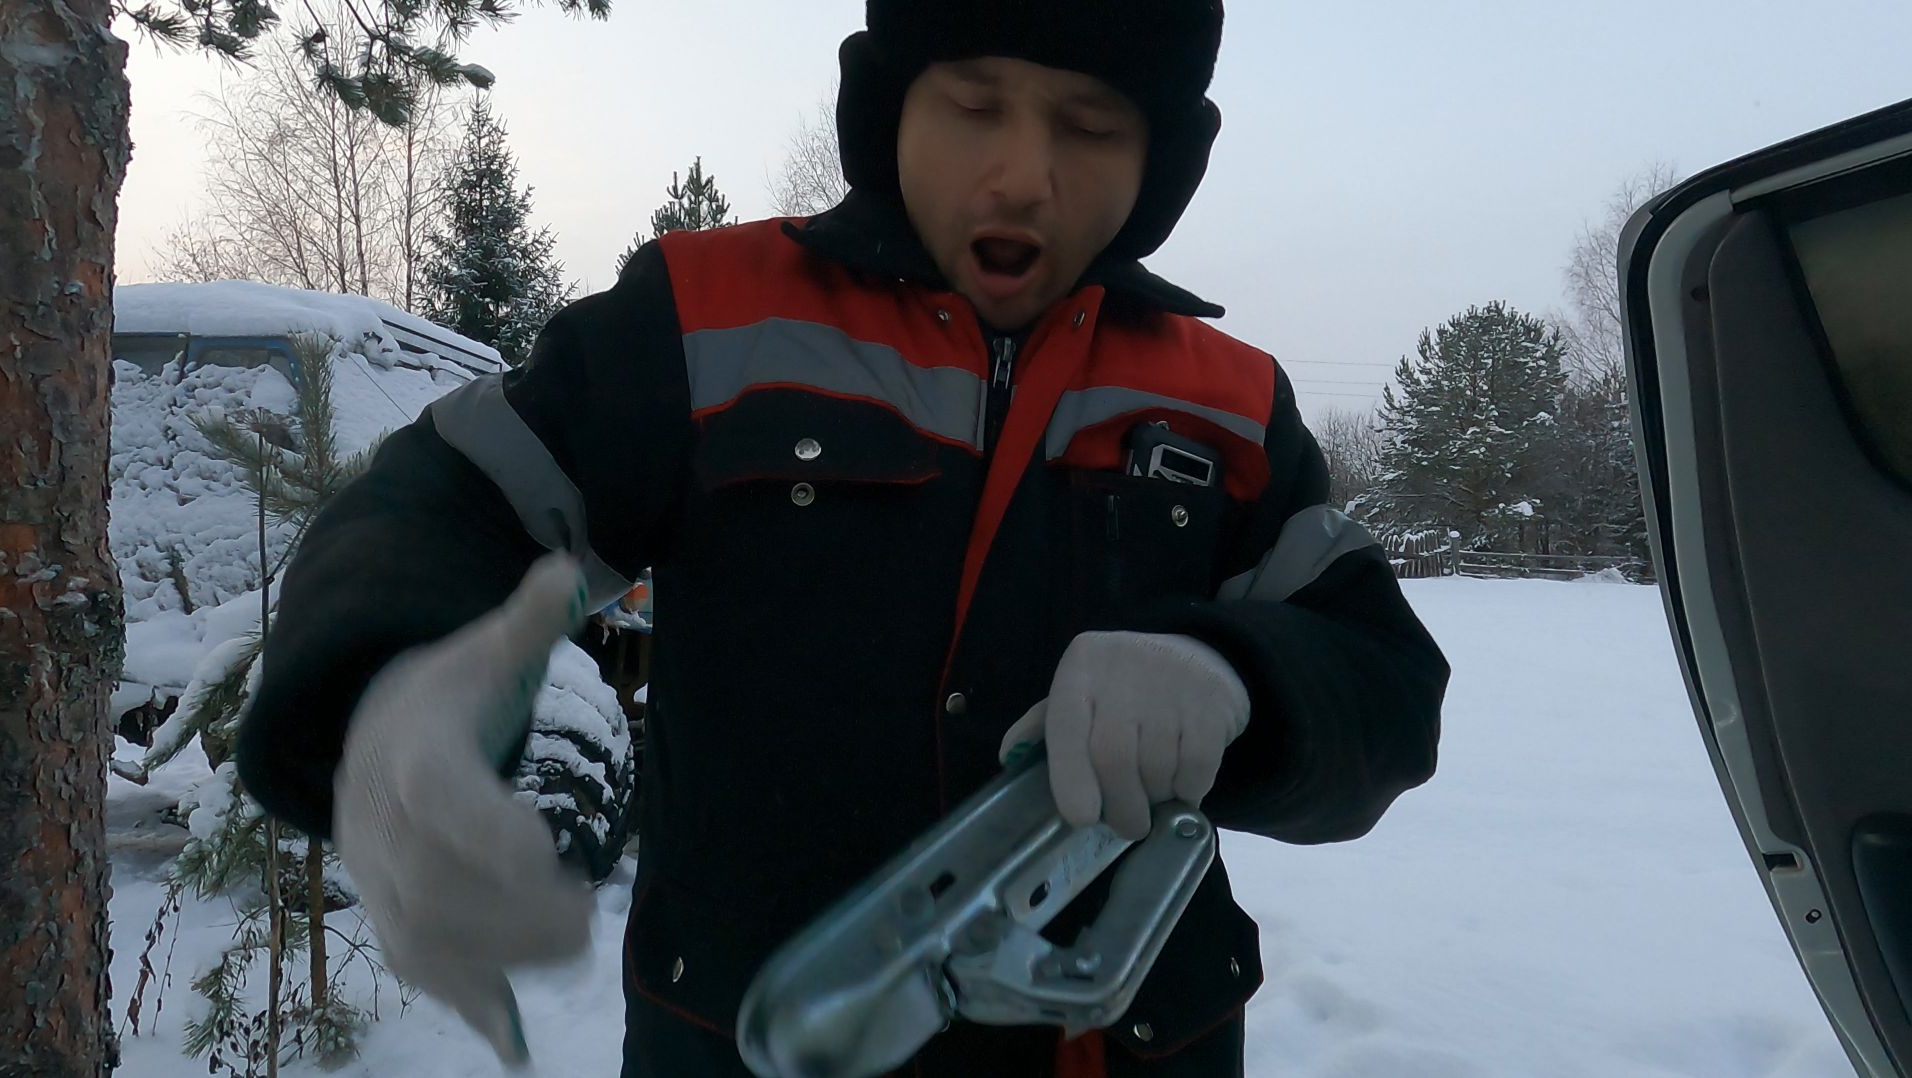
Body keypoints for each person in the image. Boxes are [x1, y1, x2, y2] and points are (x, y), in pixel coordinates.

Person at [236, 2, 1450, 1075]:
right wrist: (380, 692)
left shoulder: (1228, 404)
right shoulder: (704, 321)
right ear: (891, 104)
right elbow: (446, 496)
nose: (1024, 175)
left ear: (1161, 160)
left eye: (1091, 126)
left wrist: (1238, 675)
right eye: (974, 103)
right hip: (753, 1048)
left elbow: (1386, 682)